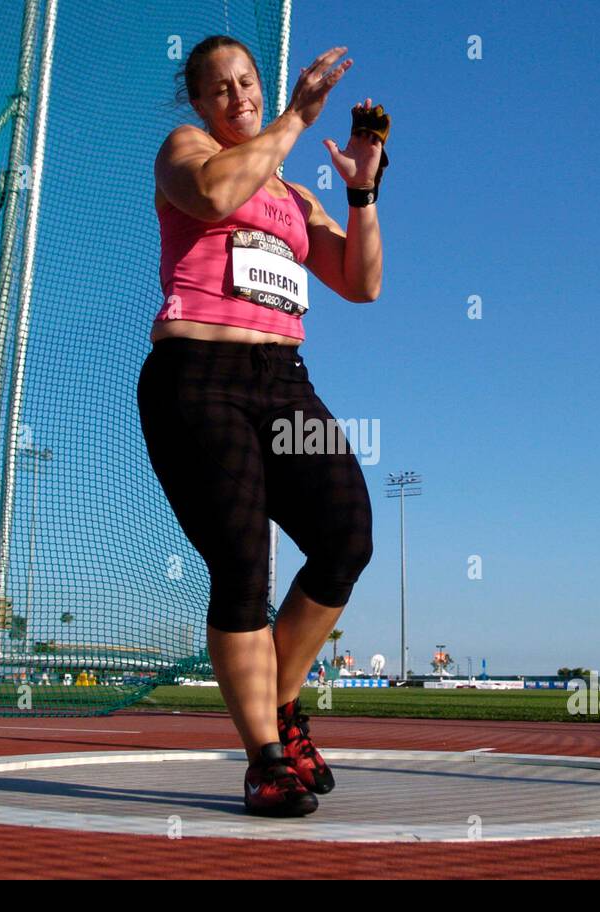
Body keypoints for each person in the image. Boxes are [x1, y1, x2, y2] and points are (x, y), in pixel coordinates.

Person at [139, 38, 387, 816]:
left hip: (283, 385)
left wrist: (361, 194)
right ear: (199, 102)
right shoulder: (188, 150)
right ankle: (265, 760)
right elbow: (212, 197)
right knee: (244, 563)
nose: (236, 98)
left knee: (347, 534)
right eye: (219, 90)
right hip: (197, 379)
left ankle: (276, 706)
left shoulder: (289, 195)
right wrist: (294, 117)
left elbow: (360, 283)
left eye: (247, 83)